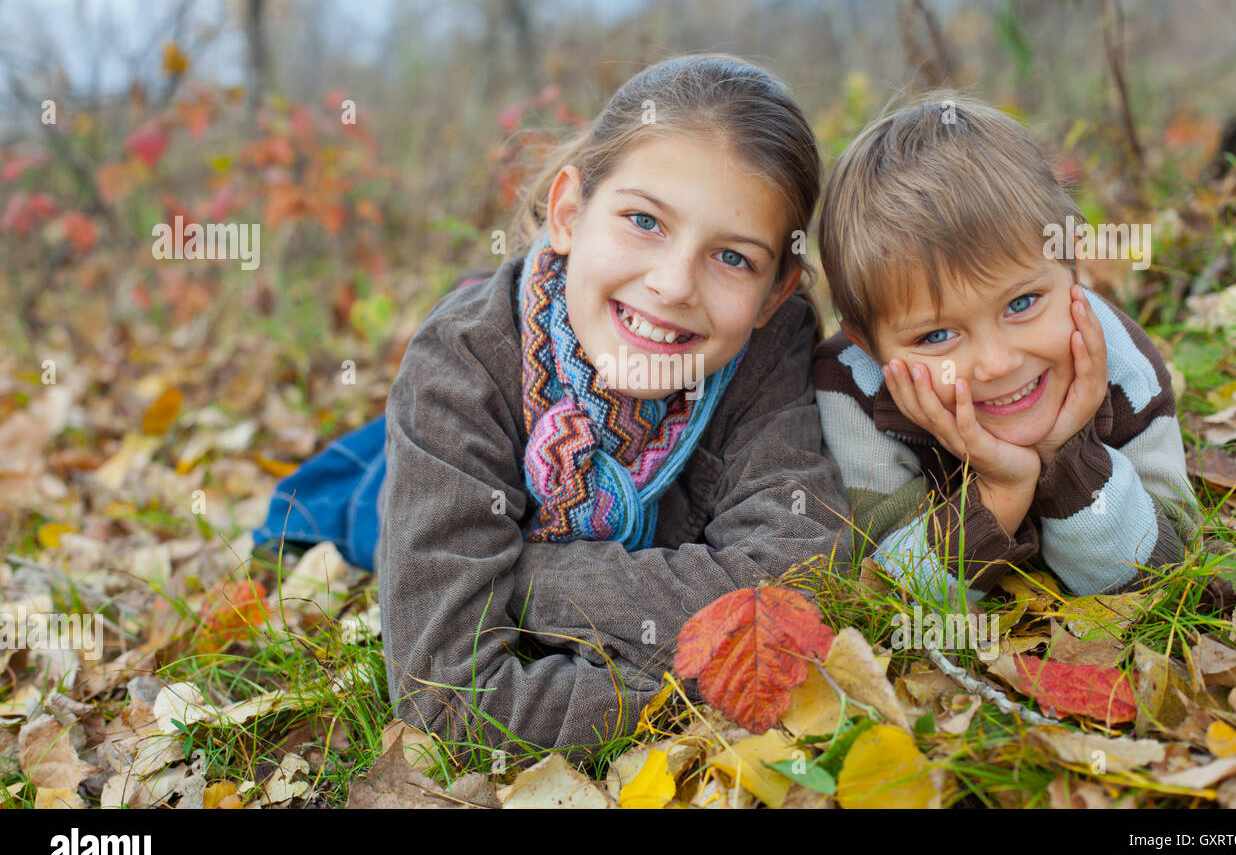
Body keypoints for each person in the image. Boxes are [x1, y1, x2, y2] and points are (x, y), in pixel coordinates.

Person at [257, 54, 851, 765]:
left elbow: (798, 582)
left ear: (774, 295)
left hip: (530, 507)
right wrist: (692, 683)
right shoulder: (459, 368)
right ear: (569, 213)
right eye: (643, 220)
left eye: (733, 259)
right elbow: (446, 701)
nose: (671, 284)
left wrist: (532, 578)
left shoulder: (769, 344)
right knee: (367, 494)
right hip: (400, 475)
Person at [812, 93, 1202, 603]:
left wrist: (1068, 458)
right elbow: (883, 600)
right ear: (869, 345)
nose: (998, 363)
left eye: (1021, 303)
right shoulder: (851, 389)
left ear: (1070, 268)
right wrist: (1000, 492)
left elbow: (1162, 574)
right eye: (936, 336)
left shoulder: (1118, 358)